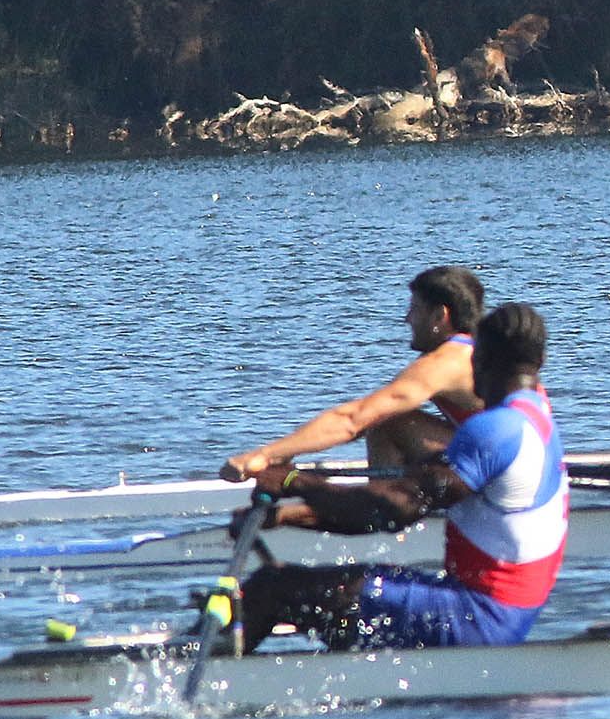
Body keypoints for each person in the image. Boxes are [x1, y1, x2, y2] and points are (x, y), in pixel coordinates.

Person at [237, 303, 570, 648]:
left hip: (477, 617)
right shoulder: (538, 418)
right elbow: (387, 515)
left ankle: (199, 677)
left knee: (271, 588)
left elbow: (391, 510)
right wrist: (287, 517)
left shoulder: (492, 430)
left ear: (479, 359)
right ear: (541, 362)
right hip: (503, 613)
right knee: (328, 593)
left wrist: (295, 481)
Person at [221, 266, 487, 481]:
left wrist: (267, 454)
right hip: (514, 456)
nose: (407, 319)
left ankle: (384, 519)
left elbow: (353, 420)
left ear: (440, 316)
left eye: (415, 309)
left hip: (507, 467)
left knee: (386, 422)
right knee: (391, 418)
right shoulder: (484, 346)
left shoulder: (444, 363)